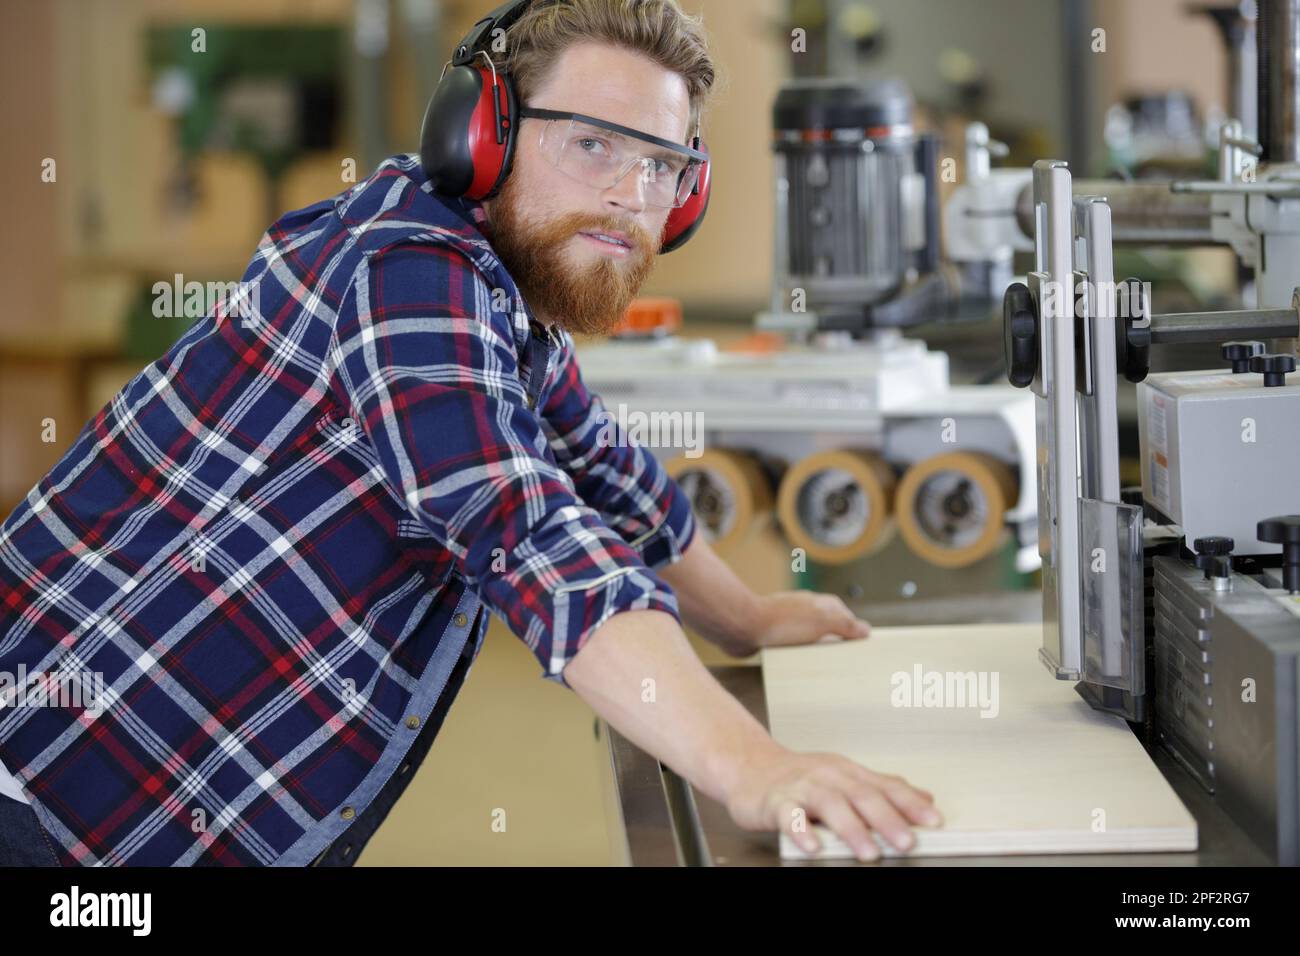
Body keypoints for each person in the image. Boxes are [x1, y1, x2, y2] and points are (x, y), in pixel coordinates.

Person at [0, 0, 939, 866]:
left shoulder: (505, 302)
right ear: (479, 139)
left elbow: (604, 468)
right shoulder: (408, 270)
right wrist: (752, 770)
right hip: (52, 799)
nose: (629, 195)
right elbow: (526, 530)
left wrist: (747, 618)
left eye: (661, 165)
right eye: (591, 146)